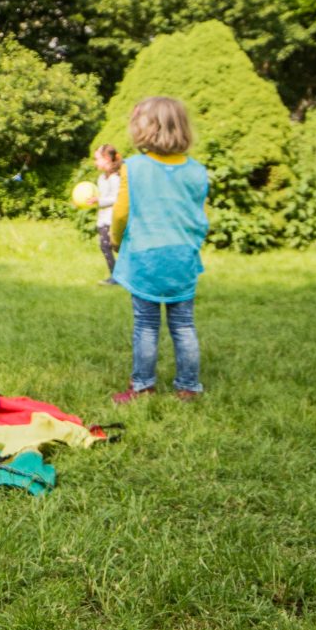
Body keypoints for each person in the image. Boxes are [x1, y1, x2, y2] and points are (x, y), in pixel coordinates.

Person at [109, 97, 208, 403]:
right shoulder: (197, 171)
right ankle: (189, 387)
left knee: (147, 325)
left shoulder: (133, 168)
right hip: (182, 257)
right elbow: (196, 216)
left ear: (144, 129)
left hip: (146, 258)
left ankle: (143, 386)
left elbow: (121, 214)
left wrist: (115, 240)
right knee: (184, 324)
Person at [92, 145, 124, 284]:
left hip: (112, 219)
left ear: (106, 159)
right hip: (102, 219)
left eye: (97, 159)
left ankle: (117, 277)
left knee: (109, 246)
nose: (95, 162)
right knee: (105, 246)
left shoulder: (115, 178)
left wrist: (99, 201)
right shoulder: (101, 178)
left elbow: (116, 198)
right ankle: (118, 276)